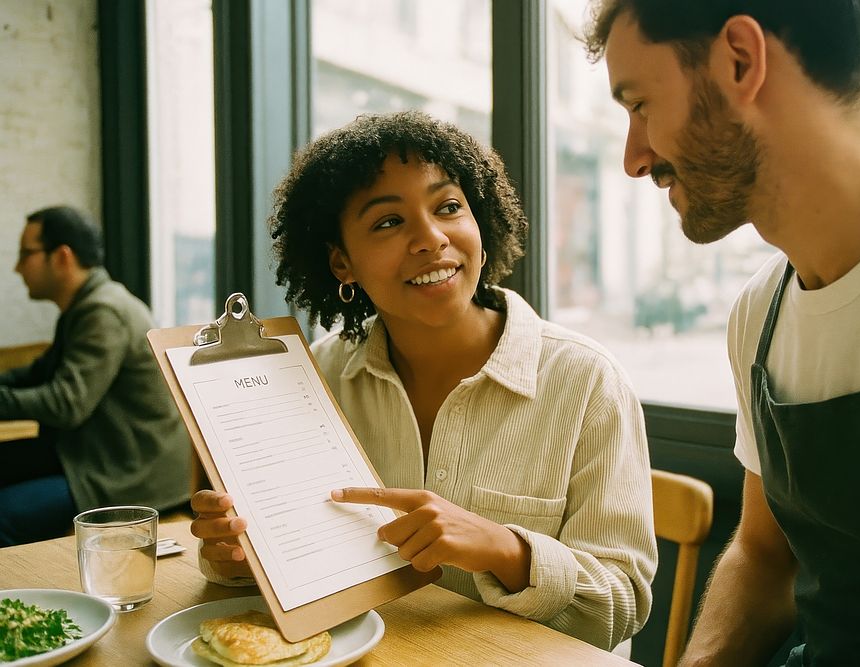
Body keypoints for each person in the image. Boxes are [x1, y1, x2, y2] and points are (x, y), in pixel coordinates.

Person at [583, 1, 860, 665]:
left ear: (740, 60)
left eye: (640, 105)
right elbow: (764, 556)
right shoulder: (761, 310)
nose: (635, 159)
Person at [190, 110, 657, 654]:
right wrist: (238, 557)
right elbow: (284, 569)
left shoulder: (587, 381)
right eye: (388, 222)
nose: (431, 238)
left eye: (449, 207)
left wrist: (504, 549)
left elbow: (622, 607)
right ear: (342, 263)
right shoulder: (314, 377)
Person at [1, 206, 191, 546]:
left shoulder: (103, 310)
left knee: (4, 513)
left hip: (128, 473)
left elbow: (66, 405)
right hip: (95, 452)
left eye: (26, 254)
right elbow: (39, 372)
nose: (17, 267)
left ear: (62, 257)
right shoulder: (87, 304)